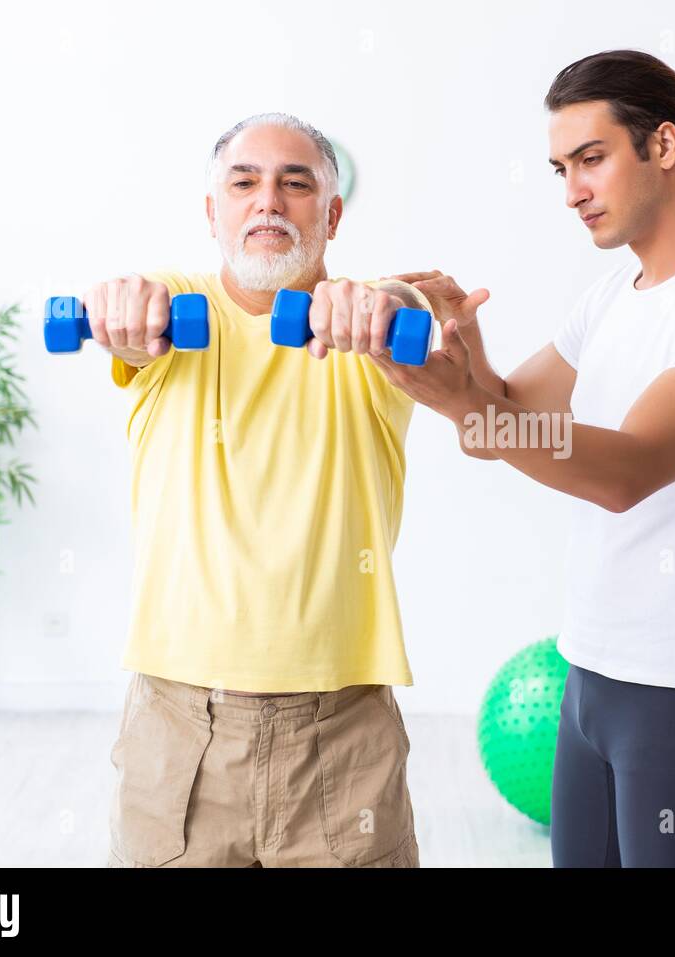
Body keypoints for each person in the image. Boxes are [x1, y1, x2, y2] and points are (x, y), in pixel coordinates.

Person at [363, 51, 675, 866]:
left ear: (665, 146)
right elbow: (496, 425)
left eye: (591, 159)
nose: (571, 189)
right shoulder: (614, 295)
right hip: (591, 664)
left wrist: (473, 404)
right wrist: (462, 363)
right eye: (560, 168)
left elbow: (623, 472)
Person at [95, 112, 434, 867]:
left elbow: (408, 306)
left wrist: (396, 301)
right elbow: (133, 301)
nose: (268, 202)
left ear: (333, 215)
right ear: (212, 212)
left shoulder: (363, 328)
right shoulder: (175, 316)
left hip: (342, 736)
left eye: (296, 183)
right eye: (243, 183)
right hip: (179, 730)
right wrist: (121, 303)